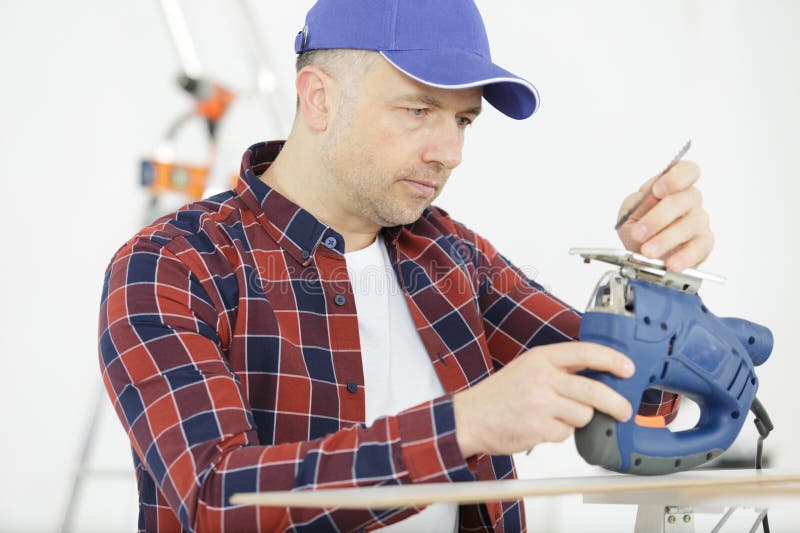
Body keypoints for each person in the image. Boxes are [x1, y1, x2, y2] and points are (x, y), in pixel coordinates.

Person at [98, 1, 713, 531]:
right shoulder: (172, 267)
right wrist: (462, 427)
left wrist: (654, 277)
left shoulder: (455, 258)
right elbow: (215, 503)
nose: (450, 153)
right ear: (318, 99)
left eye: (463, 119)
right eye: (417, 110)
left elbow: (643, 398)